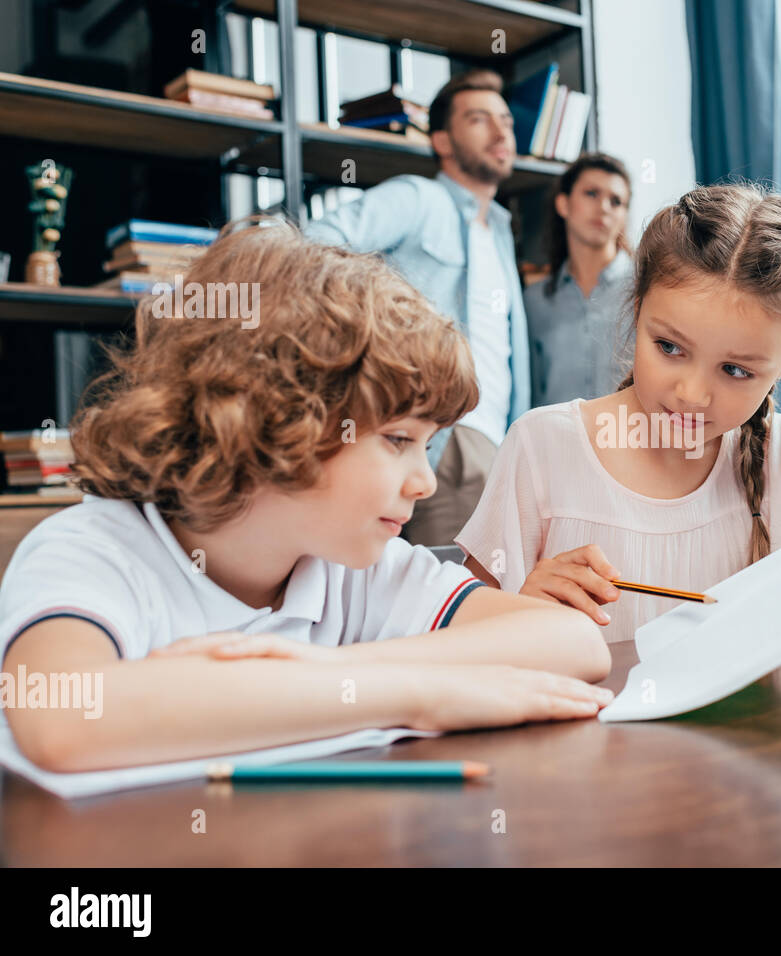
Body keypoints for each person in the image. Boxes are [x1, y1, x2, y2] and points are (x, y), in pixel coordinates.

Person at [0, 222, 611, 774]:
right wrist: (421, 692)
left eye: (426, 447)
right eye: (398, 439)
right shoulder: (95, 551)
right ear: (272, 418)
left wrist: (331, 675)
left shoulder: (356, 571)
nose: (423, 483)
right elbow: (62, 716)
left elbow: (574, 644)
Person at [454, 183, 781, 678]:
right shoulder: (542, 447)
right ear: (637, 311)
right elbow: (455, 641)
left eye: (735, 371)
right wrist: (521, 612)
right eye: (670, 347)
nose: (690, 393)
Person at [305, 69, 528, 547]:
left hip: (498, 444)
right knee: (448, 607)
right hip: (446, 441)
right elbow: (312, 246)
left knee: (480, 600)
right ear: (443, 141)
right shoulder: (418, 198)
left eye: (505, 119)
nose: (500, 131)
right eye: (479, 119)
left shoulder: (502, 230)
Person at [525, 152, 634, 406]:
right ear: (563, 204)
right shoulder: (535, 301)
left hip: (630, 439)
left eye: (616, 201)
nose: (604, 207)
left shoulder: (647, 289)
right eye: (592, 193)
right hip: (554, 442)